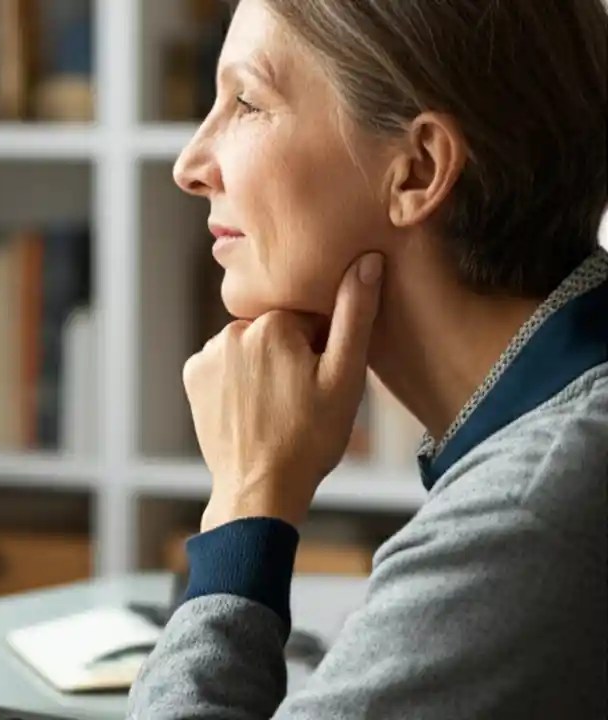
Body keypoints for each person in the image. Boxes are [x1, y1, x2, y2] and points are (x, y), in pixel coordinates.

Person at [127, 0, 607, 717]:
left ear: (417, 169)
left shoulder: (531, 508)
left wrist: (248, 497)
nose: (191, 164)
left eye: (247, 102)